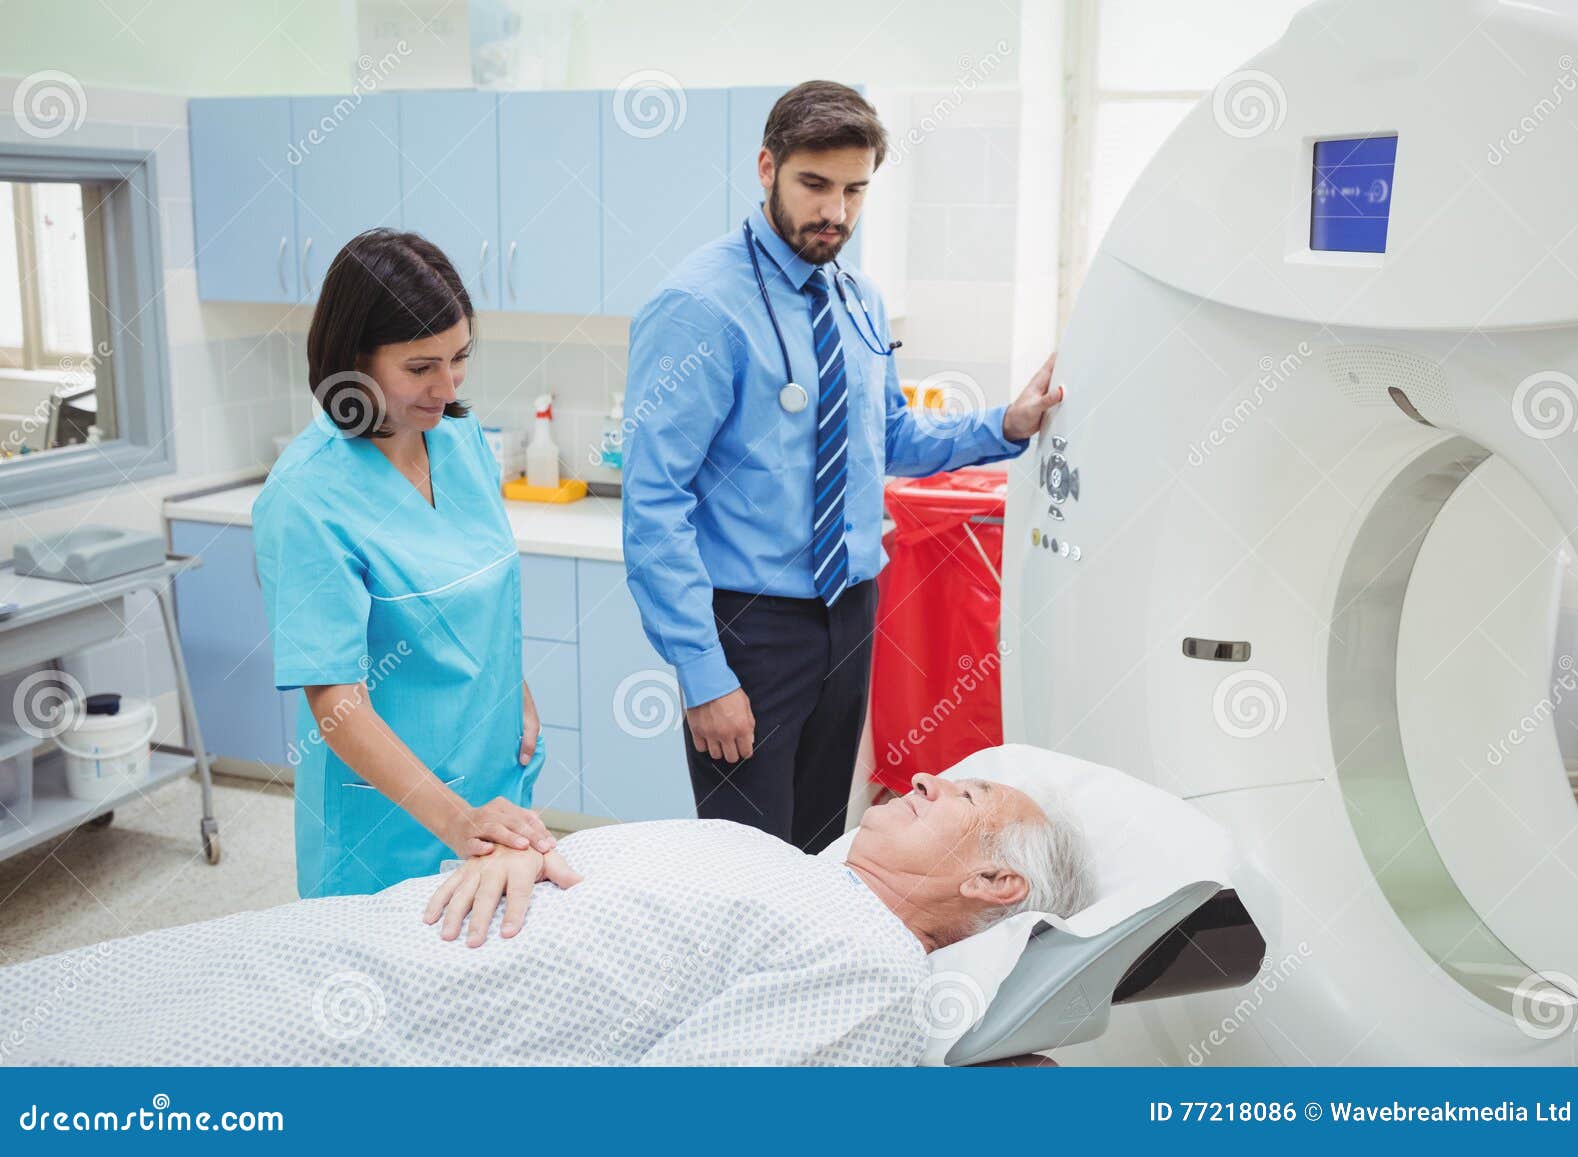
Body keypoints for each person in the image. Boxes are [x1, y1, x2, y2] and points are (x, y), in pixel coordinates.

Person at [623, 80, 1062, 852]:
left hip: (852, 612)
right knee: (746, 863)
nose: (835, 213)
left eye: (854, 191)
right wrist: (703, 671)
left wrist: (1005, 424)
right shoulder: (700, 304)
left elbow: (888, 436)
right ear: (767, 168)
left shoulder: (857, 298)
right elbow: (655, 500)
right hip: (751, 627)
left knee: (822, 846)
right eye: (815, 185)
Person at [0, 774, 1089, 1066]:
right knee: (106, 983)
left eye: (968, 800)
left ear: (993, 886)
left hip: (412, 1023)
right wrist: (523, 841)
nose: (931, 774)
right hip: (384, 935)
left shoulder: (869, 971)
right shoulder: (792, 865)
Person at [252, 229, 559, 899]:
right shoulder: (307, 497)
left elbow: (481, 588)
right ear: (353, 360)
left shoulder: (460, 438)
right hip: (391, 821)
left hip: (494, 780)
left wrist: (518, 692)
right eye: (421, 367)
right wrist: (458, 820)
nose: (446, 389)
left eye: (459, 359)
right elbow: (335, 699)